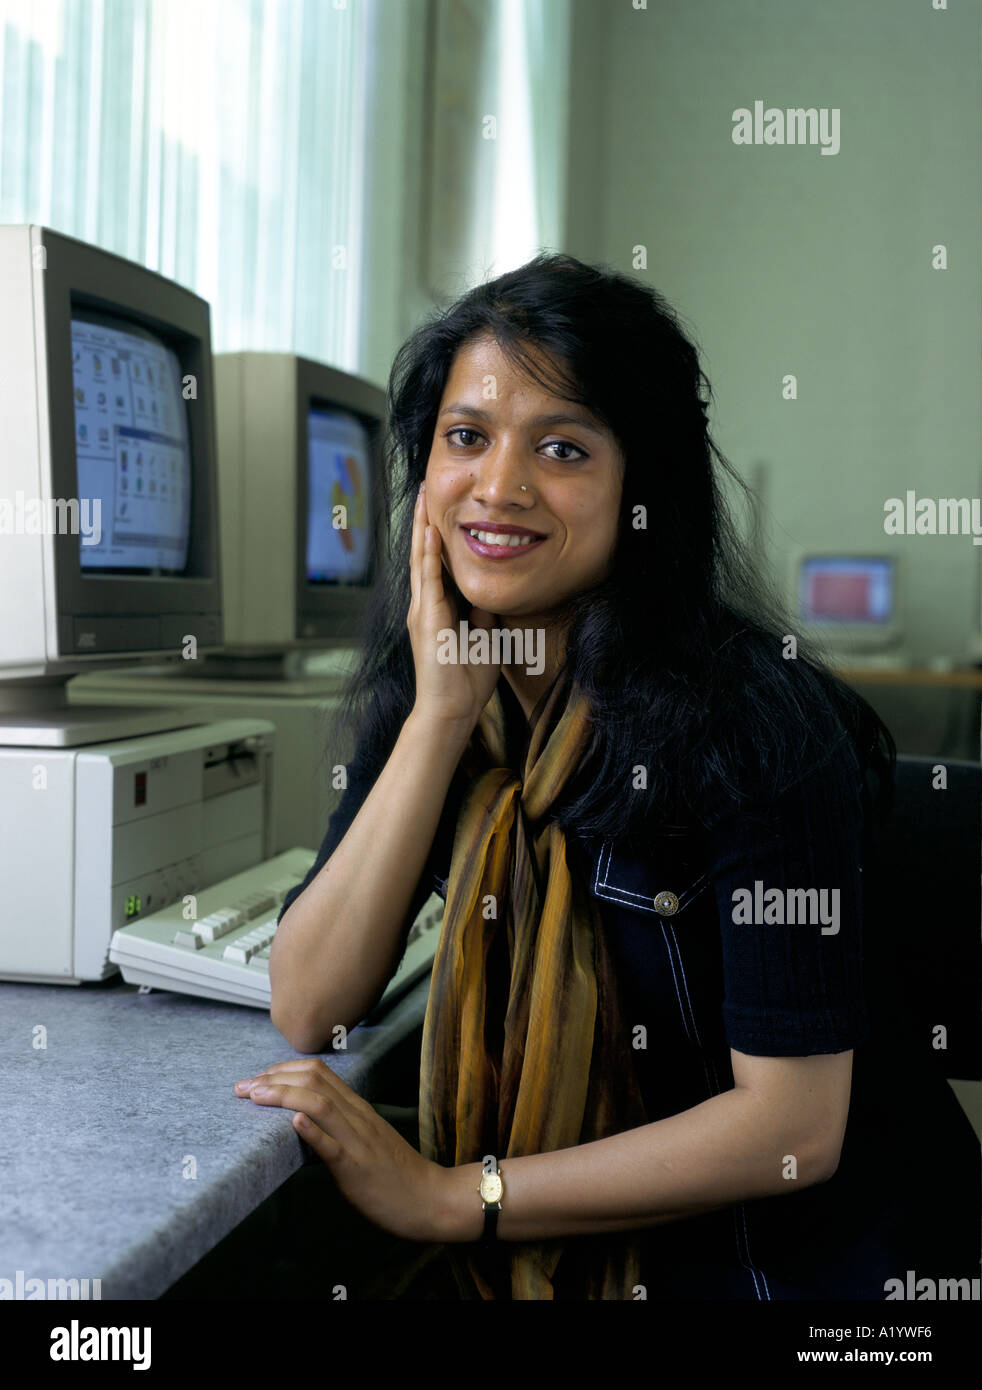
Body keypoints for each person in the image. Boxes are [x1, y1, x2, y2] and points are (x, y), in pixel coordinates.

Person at [234, 253, 978, 1301]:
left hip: (806, 1281)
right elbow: (311, 1001)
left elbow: (791, 1131)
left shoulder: (754, 725)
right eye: (465, 438)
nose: (499, 487)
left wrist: (457, 1198)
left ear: (643, 488)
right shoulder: (443, 693)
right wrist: (441, 716)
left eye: (563, 447)